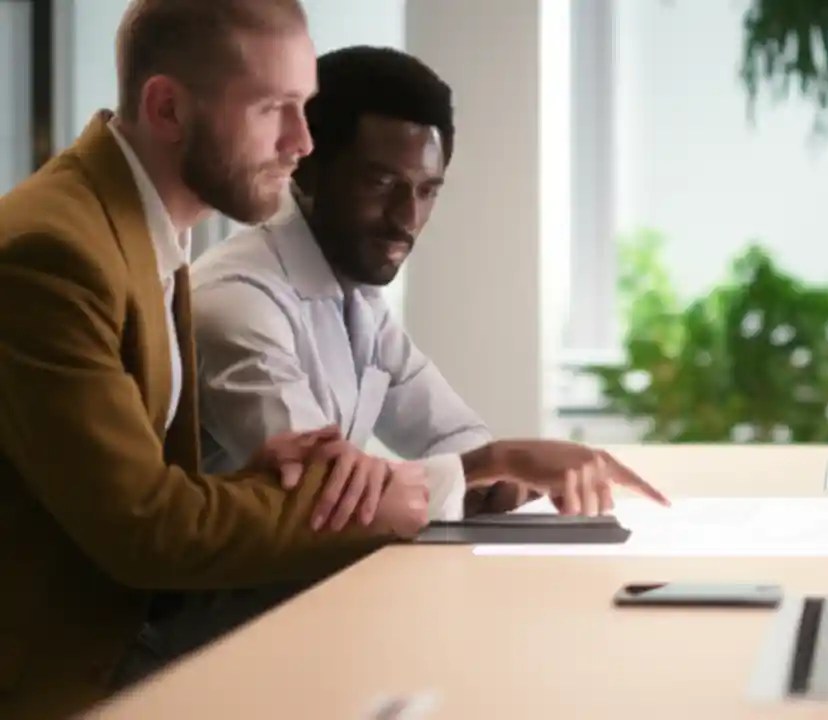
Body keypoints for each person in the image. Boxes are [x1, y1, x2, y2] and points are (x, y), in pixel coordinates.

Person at [0, 3, 659, 717]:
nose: (301, 142)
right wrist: (399, 492)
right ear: (167, 108)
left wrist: (278, 478)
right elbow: (150, 526)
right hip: (77, 684)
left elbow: (166, 489)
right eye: (274, 109)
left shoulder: (147, 236)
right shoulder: (58, 255)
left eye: (304, 108)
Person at [190, 45, 654, 521]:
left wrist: (499, 481)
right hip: (244, 596)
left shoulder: (358, 297)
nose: (407, 219)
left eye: (427, 190)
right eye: (381, 185)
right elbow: (322, 497)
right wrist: (497, 462)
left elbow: (452, 435)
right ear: (305, 171)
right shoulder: (238, 301)